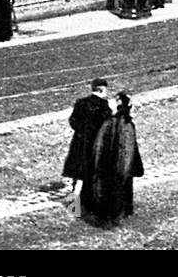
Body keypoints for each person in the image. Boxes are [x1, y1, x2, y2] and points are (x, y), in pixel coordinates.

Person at [84, 92, 145, 228]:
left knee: (107, 190)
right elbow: (127, 149)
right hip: (120, 166)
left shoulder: (109, 122)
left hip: (106, 164)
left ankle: (108, 215)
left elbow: (98, 145)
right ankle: (116, 216)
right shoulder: (127, 125)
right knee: (120, 190)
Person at [62, 78, 114, 215]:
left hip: (79, 143)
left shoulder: (81, 103)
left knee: (77, 175)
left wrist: (81, 131)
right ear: (102, 89)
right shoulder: (103, 106)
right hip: (95, 145)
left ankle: (73, 206)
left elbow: (73, 121)